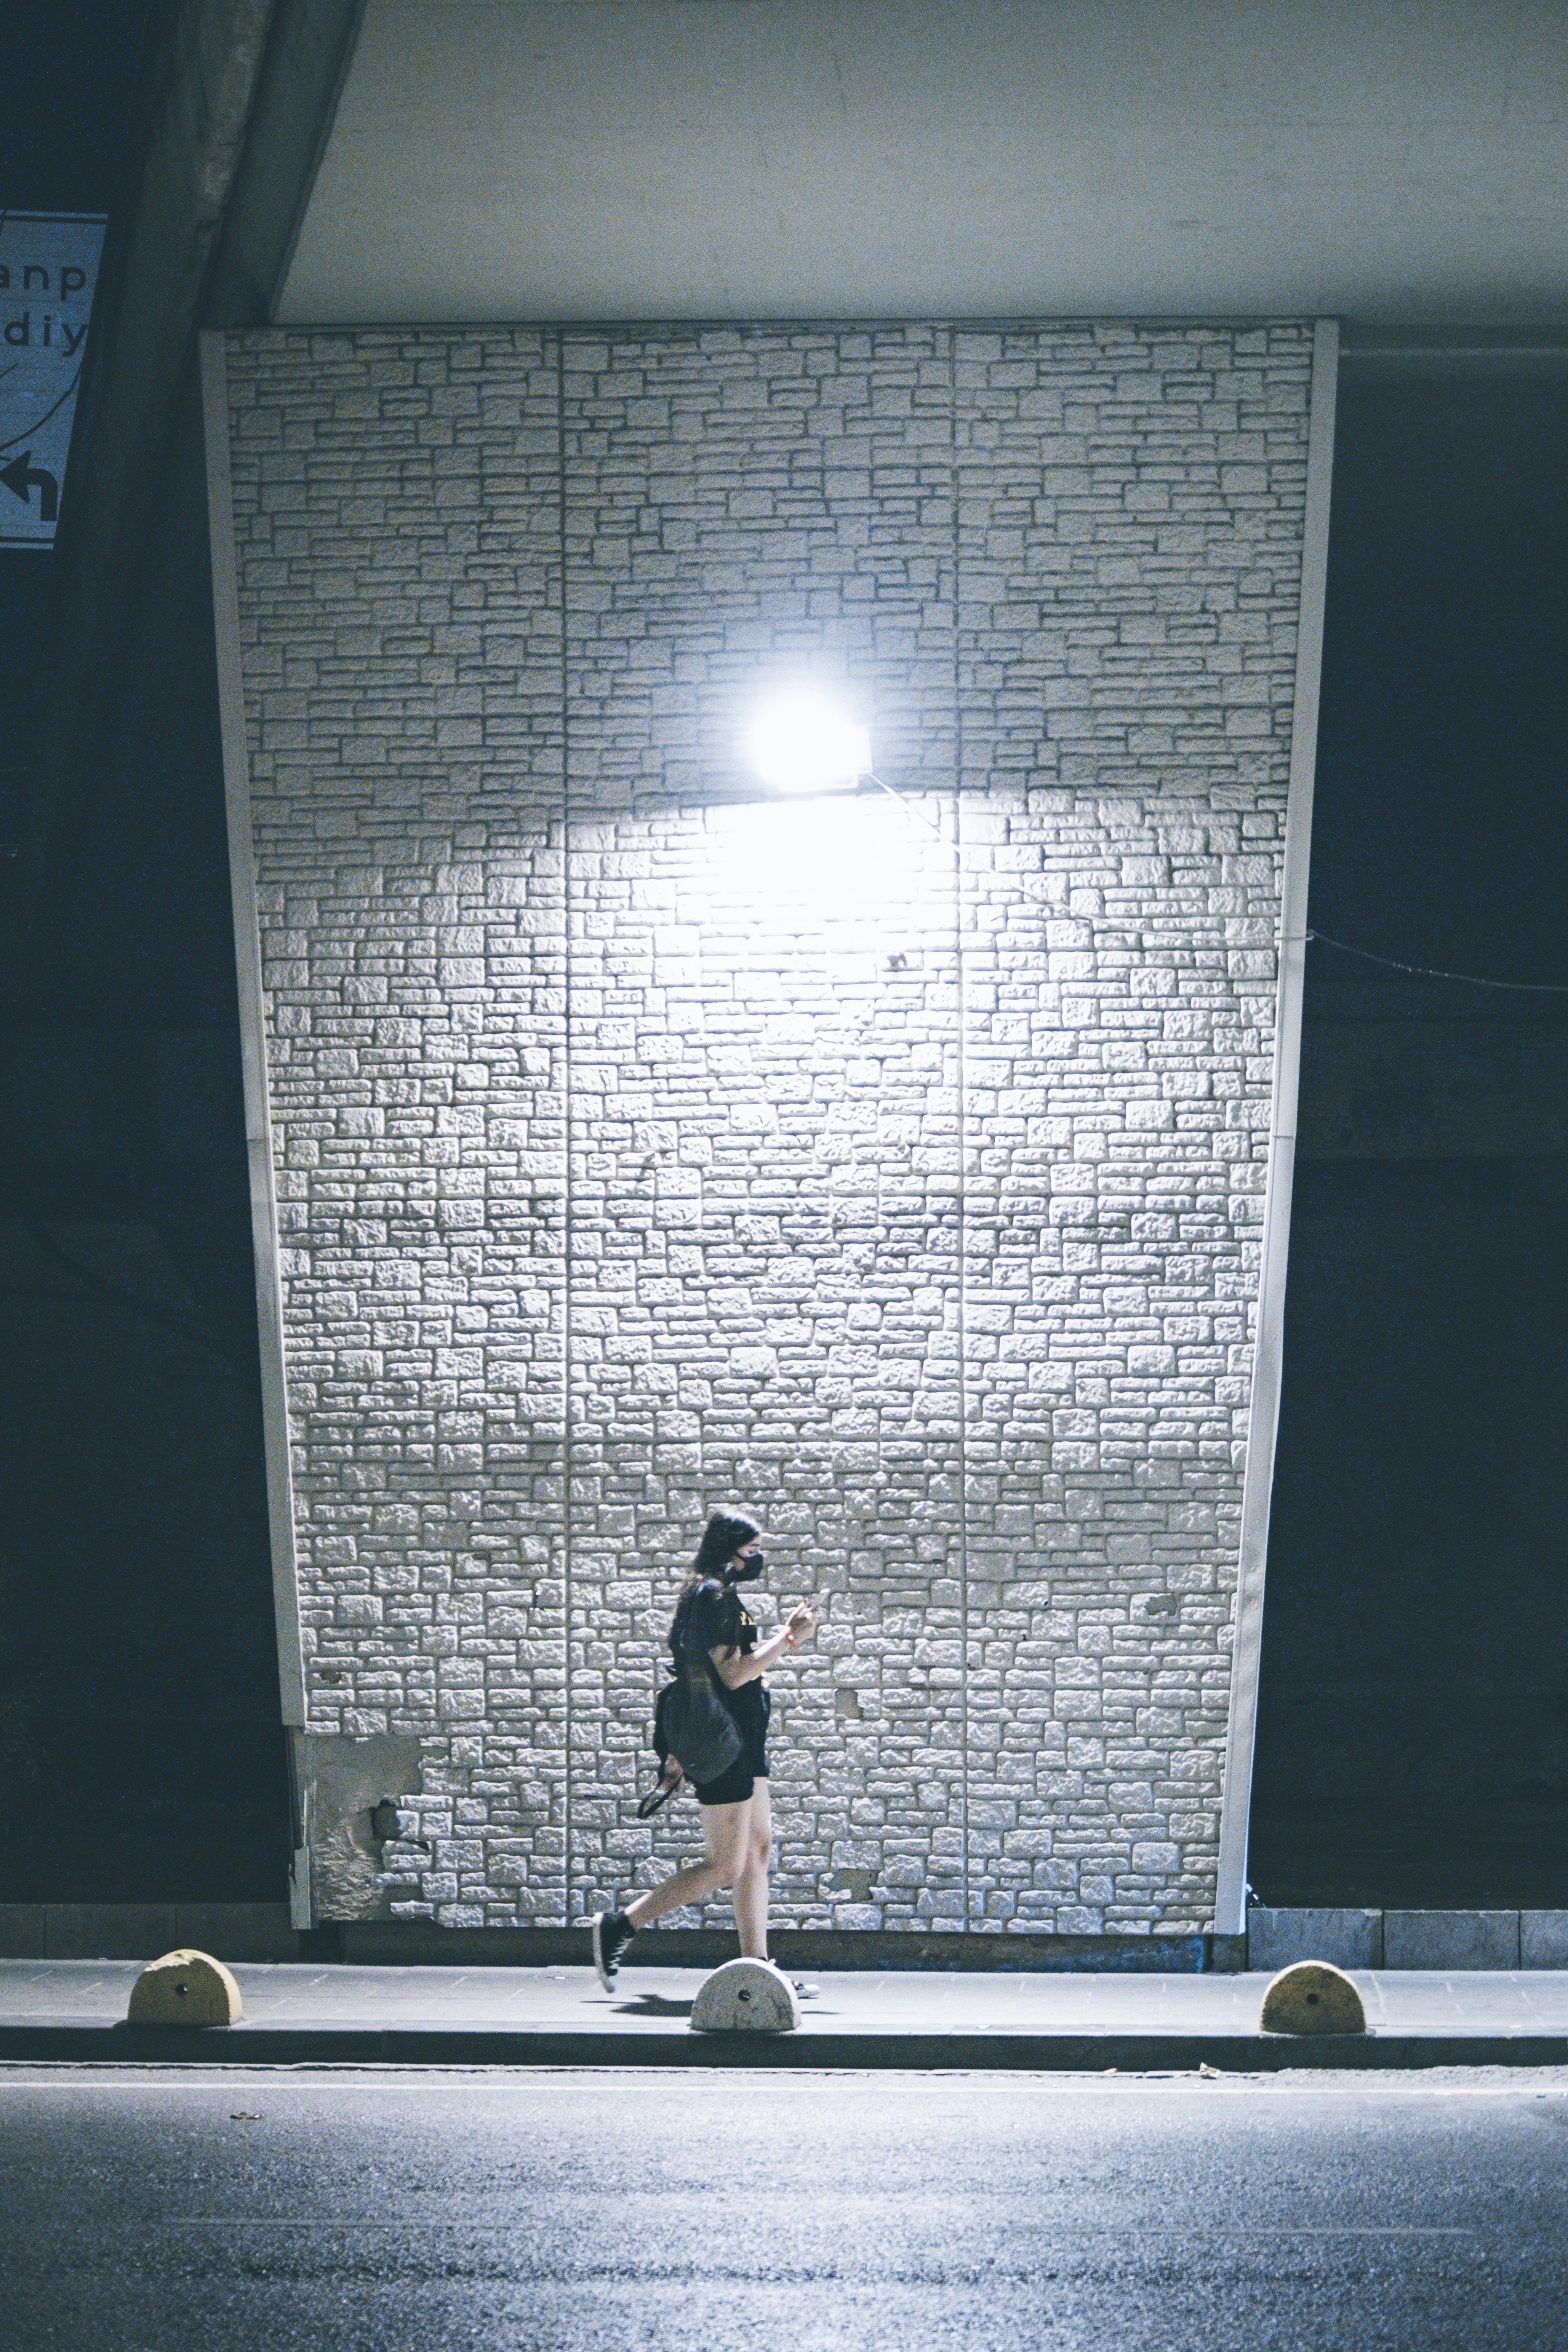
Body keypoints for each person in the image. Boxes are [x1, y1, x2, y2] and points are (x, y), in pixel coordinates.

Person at [592, 1511, 816, 1990]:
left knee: (757, 1851)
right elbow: (732, 1674)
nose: (757, 1560)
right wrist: (789, 1636)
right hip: (726, 1741)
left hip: (744, 1737)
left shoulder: (717, 1594)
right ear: (728, 1549)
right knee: (725, 1864)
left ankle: (759, 1970)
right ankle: (621, 1925)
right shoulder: (712, 1596)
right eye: (752, 1552)